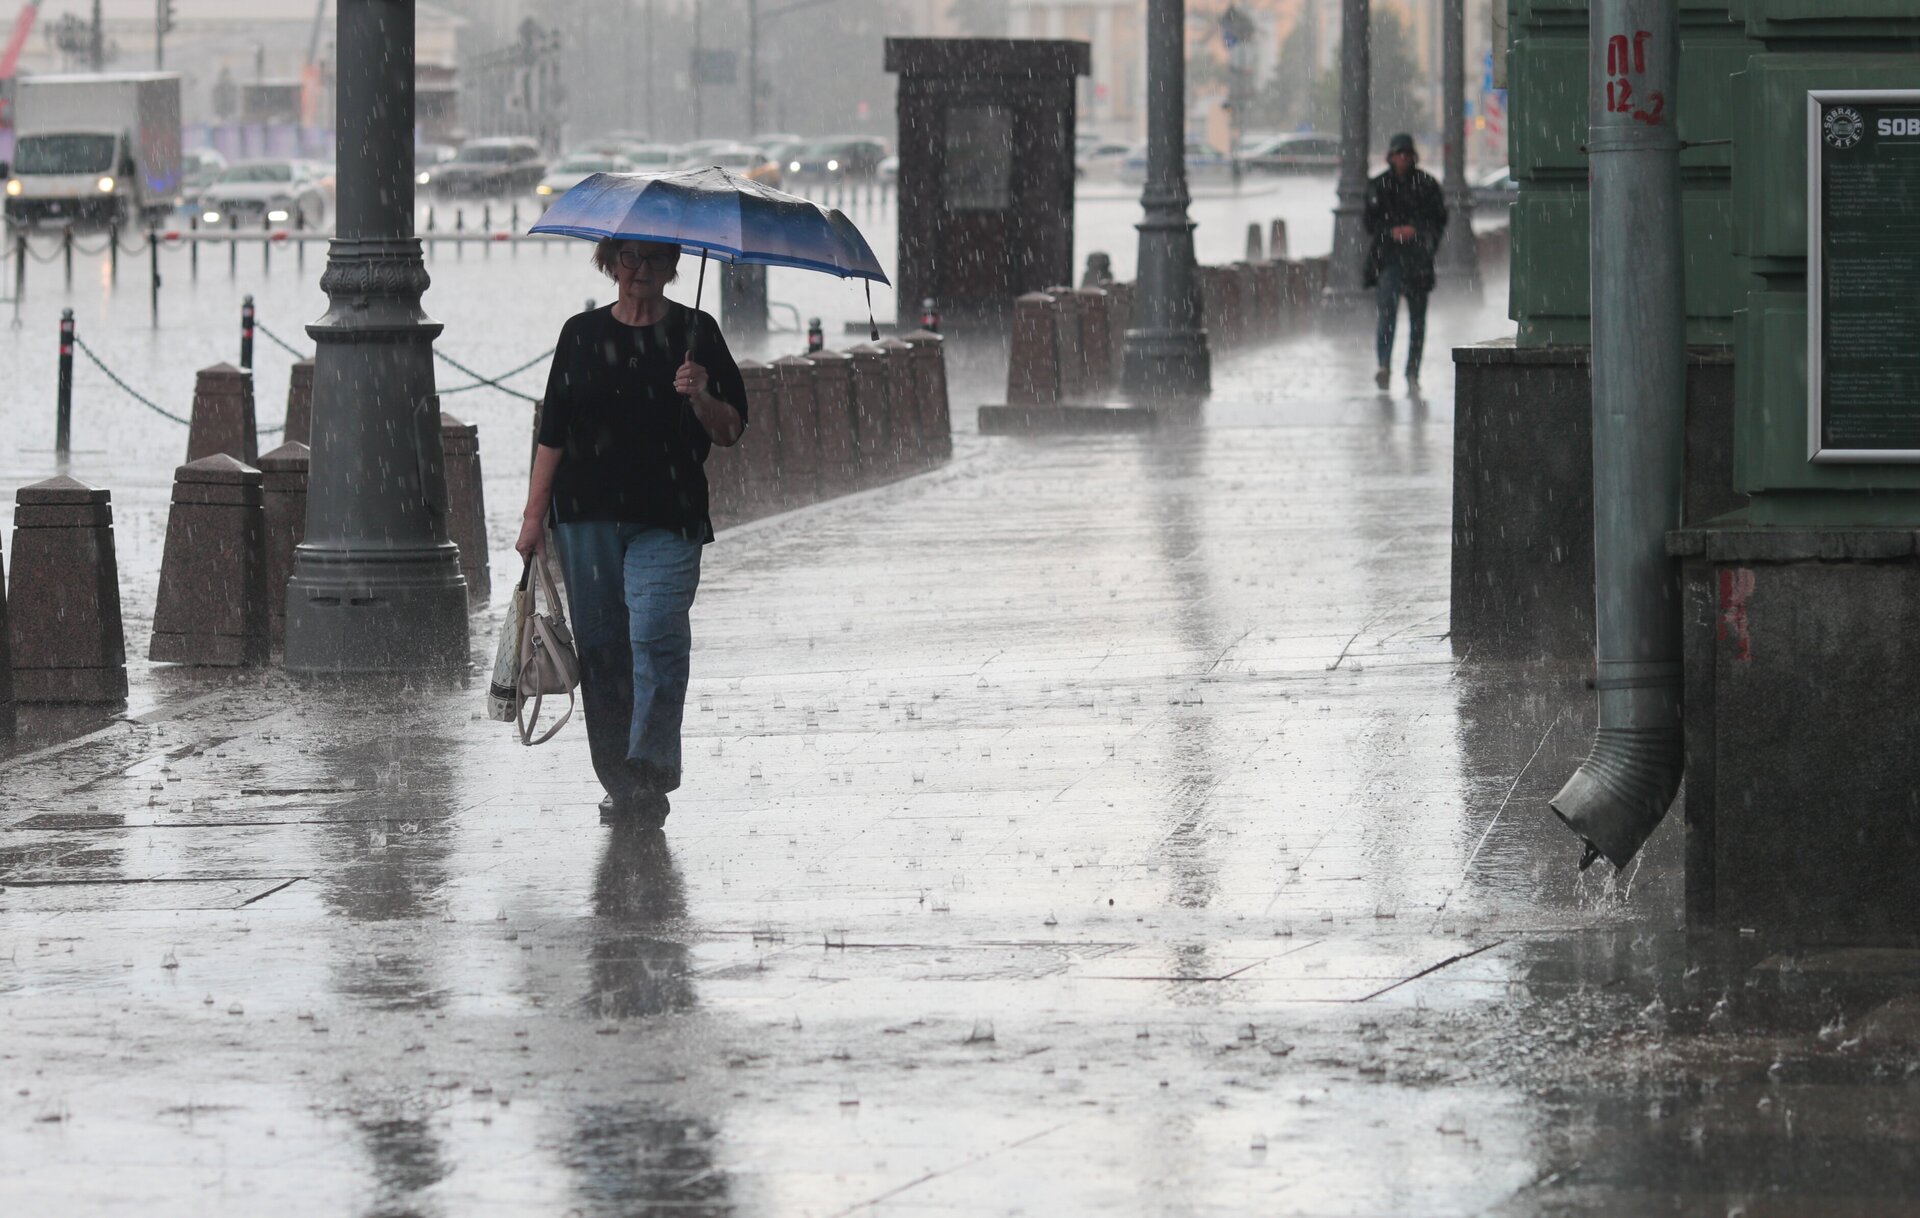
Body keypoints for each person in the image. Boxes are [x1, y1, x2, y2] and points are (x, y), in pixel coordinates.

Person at [517, 239, 748, 828]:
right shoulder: (581, 334)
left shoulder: (698, 332)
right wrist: (532, 518)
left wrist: (700, 393)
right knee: (603, 651)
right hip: (586, 517)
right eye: (628, 257)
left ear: (675, 267)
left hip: (668, 514)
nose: (640, 270)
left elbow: (730, 431)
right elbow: (555, 430)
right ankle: (623, 784)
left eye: (653, 259)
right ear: (610, 262)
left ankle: (649, 765)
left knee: (657, 636)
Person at [1362, 133, 1448, 390]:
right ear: (1391, 156)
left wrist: (1417, 231)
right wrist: (1391, 232)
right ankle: (1384, 364)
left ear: (1412, 156)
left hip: (1418, 260)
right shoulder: (1378, 185)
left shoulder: (1427, 184)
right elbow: (1369, 222)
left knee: (1417, 319)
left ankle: (1412, 369)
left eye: (1406, 154)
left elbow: (1438, 220)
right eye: (1399, 154)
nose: (1402, 158)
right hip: (1388, 258)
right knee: (1387, 314)